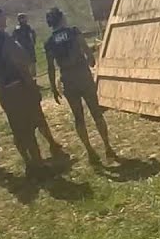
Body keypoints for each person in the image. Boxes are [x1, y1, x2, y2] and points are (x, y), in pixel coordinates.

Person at [0, 6, 64, 172]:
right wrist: (31, 86)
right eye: (2, 15)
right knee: (29, 126)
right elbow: (21, 61)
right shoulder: (4, 38)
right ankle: (38, 164)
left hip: (3, 89)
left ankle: (28, 162)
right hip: (18, 87)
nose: (5, 17)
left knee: (17, 128)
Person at [44, 8, 117, 162]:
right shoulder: (73, 32)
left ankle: (89, 150)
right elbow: (85, 50)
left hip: (67, 78)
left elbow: (50, 67)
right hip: (82, 74)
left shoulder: (49, 42)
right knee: (96, 112)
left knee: (78, 117)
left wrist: (53, 87)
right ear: (61, 18)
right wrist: (91, 60)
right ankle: (107, 146)